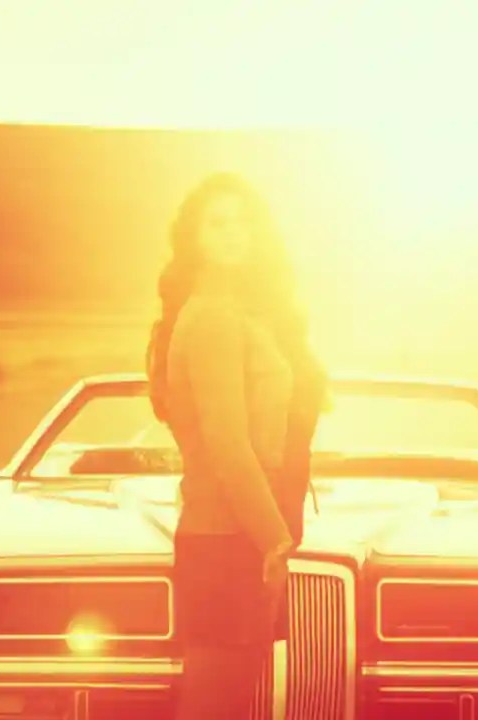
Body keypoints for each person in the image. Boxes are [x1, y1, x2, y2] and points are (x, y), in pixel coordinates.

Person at [146, 172, 327, 718]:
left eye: (243, 220)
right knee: (213, 706)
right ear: (193, 236)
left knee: (230, 702)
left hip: (237, 534)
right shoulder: (213, 319)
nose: (233, 233)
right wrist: (274, 539)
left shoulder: (235, 313)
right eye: (217, 222)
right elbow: (228, 444)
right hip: (227, 539)